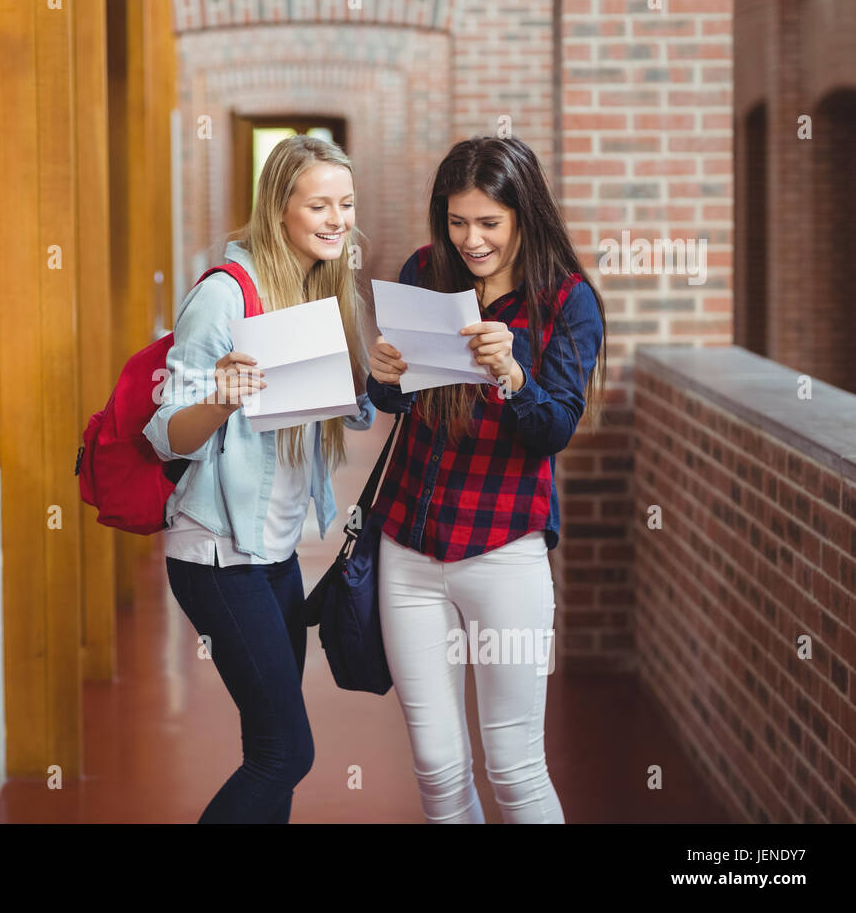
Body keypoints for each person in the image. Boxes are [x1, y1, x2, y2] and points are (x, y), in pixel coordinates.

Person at [366, 136, 607, 823]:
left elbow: (553, 429)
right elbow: (394, 403)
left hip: (504, 553)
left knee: (515, 769)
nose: (470, 239)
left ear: (524, 214)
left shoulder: (566, 301)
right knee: (439, 771)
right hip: (410, 549)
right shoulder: (422, 271)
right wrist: (383, 377)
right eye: (457, 220)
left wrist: (513, 376)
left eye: (489, 223)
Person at [144, 135, 375, 823]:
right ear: (279, 209)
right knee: (287, 752)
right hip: (218, 556)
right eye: (319, 205)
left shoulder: (319, 289)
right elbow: (164, 435)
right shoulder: (224, 295)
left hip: (275, 560)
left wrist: (372, 373)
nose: (338, 219)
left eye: (346, 204)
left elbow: (349, 416)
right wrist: (221, 396)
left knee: (268, 751)